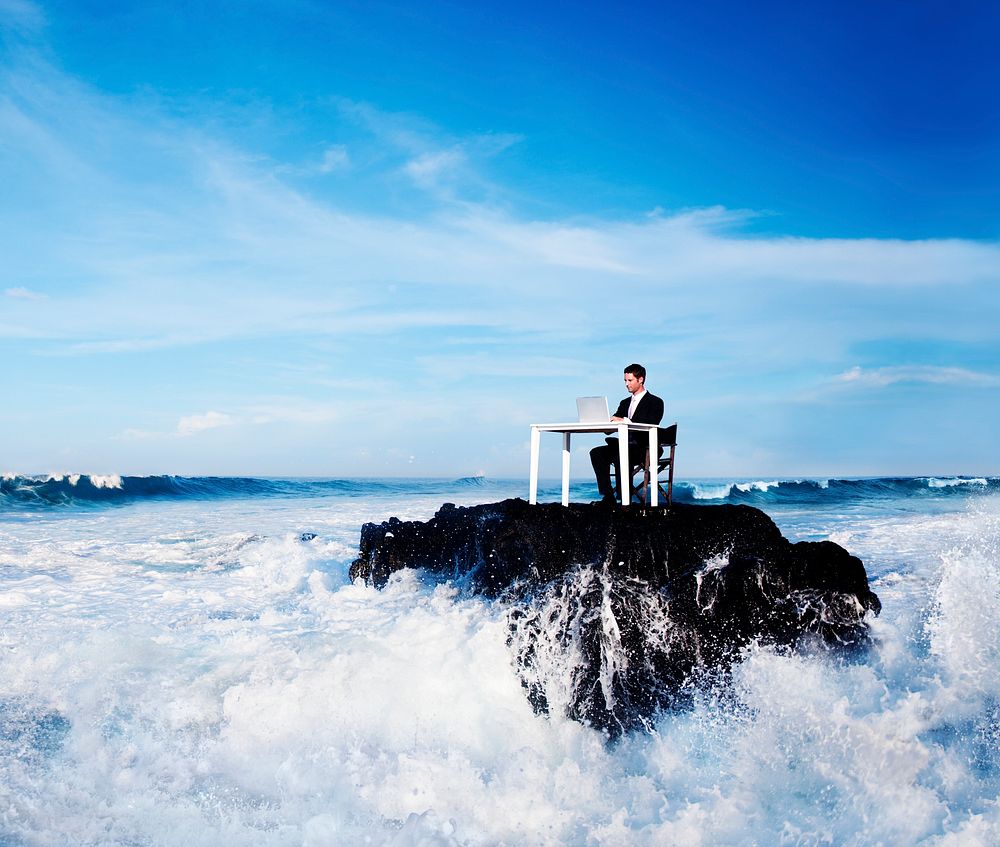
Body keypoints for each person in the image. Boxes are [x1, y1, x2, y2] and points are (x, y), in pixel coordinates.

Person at [590, 363, 664, 503]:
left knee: (621, 455)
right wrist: (605, 422)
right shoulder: (624, 403)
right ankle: (608, 496)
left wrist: (624, 420)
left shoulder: (655, 402)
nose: (626, 384)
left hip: (645, 447)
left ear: (640, 379)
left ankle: (624, 498)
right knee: (596, 453)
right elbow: (612, 426)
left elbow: (650, 423)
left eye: (630, 380)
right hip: (624, 446)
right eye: (625, 380)